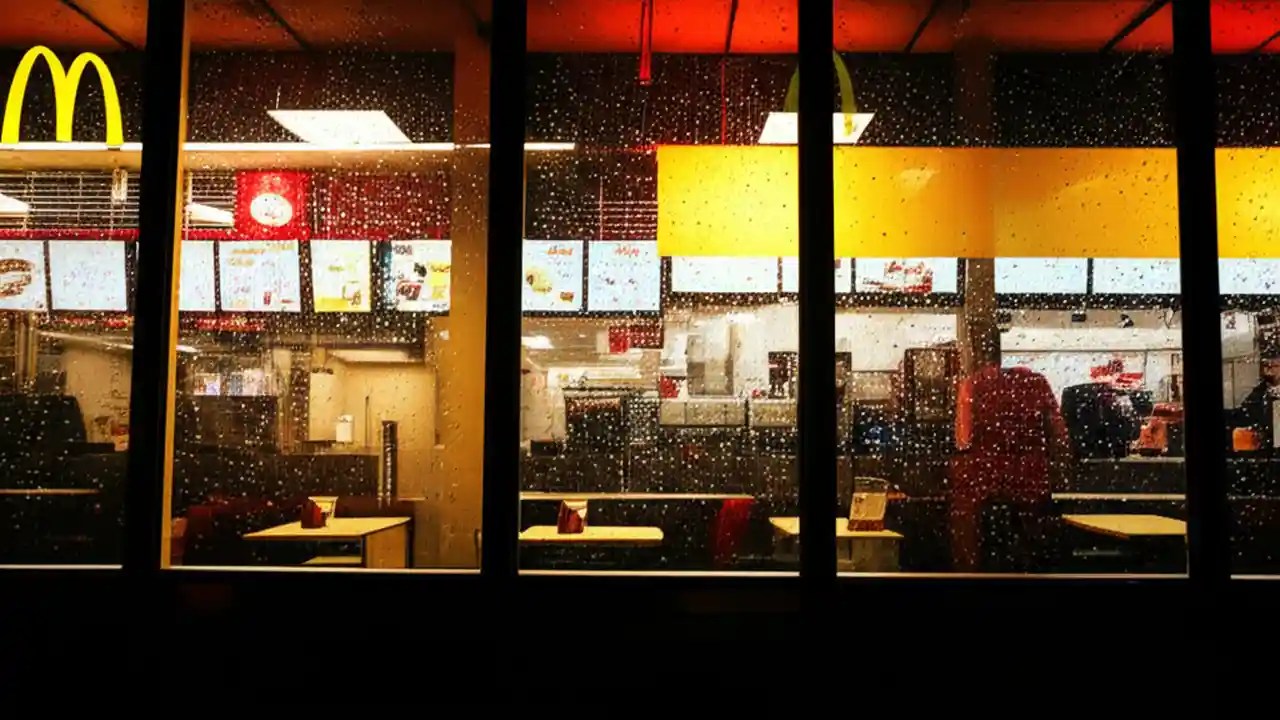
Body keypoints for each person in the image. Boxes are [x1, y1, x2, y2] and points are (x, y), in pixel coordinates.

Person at [949, 328, 1072, 572]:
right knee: (1032, 551)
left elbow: (963, 439)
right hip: (1032, 483)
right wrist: (1060, 471)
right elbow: (1059, 436)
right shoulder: (1036, 383)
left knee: (968, 541)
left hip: (984, 484)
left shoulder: (973, 385)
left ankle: (968, 580)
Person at [1237, 336, 1280, 446]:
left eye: (1274, 359)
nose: (1269, 364)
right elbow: (1240, 417)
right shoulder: (1258, 394)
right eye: (1265, 360)